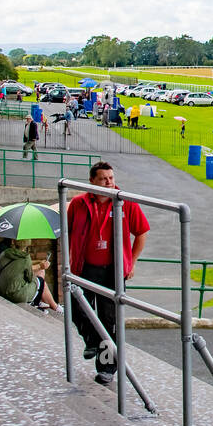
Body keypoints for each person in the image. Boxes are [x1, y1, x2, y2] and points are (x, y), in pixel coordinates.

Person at [66, 161, 150, 385]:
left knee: (108, 320)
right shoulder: (78, 203)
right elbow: (66, 230)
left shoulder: (125, 202)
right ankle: (92, 340)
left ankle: (106, 368)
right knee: (76, 308)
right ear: (92, 181)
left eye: (111, 178)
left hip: (113, 272)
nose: (109, 183)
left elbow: (141, 232)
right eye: (103, 179)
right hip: (84, 268)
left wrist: (131, 263)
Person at [0, 239, 59, 310]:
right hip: (15, 295)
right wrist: (41, 266)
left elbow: (16, 264)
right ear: (27, 245)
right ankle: (46, 305)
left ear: (13, 241)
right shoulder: (25, 257)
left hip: (2, 290)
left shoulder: (4, 253)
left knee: (39, 274)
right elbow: (29, 277)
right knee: (40, 281)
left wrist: (38, 262)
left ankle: (51, 305)